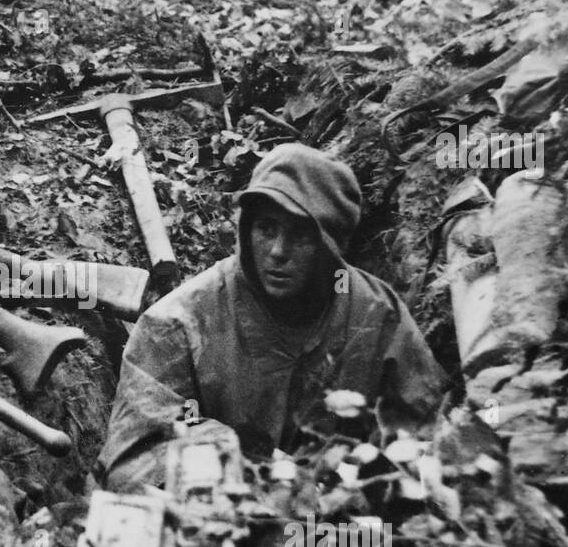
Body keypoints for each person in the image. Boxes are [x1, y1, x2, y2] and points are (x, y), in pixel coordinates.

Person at [95, 143, 447, 492]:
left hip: (337, 524)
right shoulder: (177, 325)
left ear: (331, 248)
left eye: (301, 235)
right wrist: (243, 468)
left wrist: (351, 483)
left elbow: (426, 440)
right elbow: (131, 464)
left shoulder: (375, 313)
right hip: (217, 524)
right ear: (246, 230)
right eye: (266, 229)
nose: (278, 252)